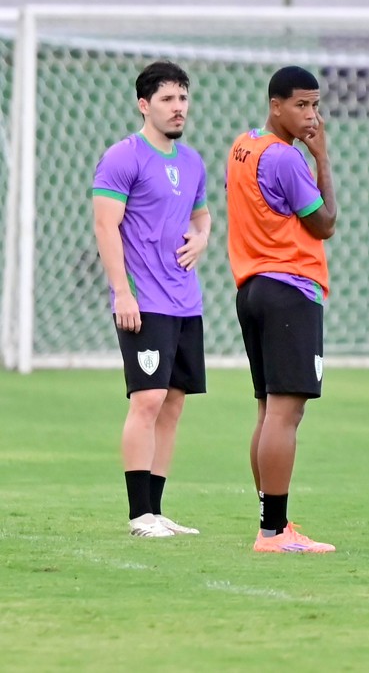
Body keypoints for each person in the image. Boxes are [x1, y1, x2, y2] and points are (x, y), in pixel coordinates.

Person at [92, 61, 210, 538]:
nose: (178, 107)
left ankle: (157, 511)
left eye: (183, 98)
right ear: (144, 105)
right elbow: (106, 226)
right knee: (148, 400)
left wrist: (202, 237)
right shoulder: (123, 157)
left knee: (173, 404)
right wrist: (122, 292)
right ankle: (139, 514)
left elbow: (201, 216)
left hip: (185, 301)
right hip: (144, 300)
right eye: (167, 99)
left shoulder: (192, 161)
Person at [226, 66, 339, 553]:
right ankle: (273, 532)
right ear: (276, 106)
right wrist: (322, 158)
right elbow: (325, 224)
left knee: (268, 411)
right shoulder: (287, 159)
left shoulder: (242, 146)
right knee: (285, 414)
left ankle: (272, 521)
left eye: (316, 106)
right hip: (289, 288)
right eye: (301, 105)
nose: (311, 116)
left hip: (252, 289)